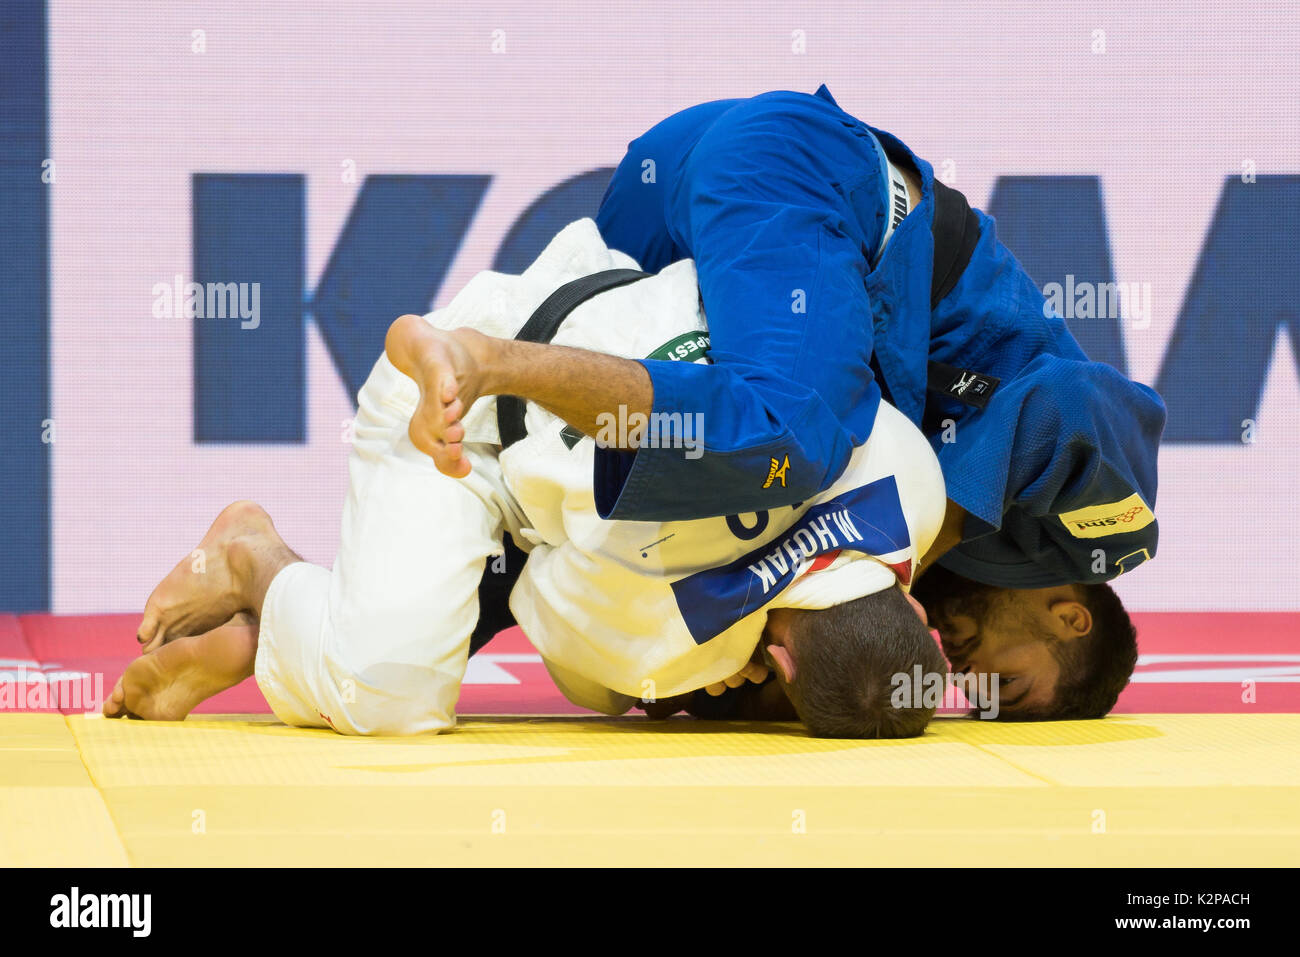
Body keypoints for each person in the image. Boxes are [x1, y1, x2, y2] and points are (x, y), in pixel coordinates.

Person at [417, 85, 1166, 719]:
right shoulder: (1104, 526)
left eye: (973, 698)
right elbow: (1071, 403)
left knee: (429, 637)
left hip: (679, 247)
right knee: (790, 434)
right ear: (1070, 615)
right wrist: (889, 564)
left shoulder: (903, 595)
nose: (966, 676)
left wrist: (736, 646)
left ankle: (316, 593)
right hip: (814, 185)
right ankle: (492, 361)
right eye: (1004, 683)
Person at [107, 220, 948, 738]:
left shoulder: (911, 478)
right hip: (463, 424)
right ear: (786, 668)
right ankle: (259, 558)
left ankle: (288, 630)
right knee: (391, 695)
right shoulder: (679, 627)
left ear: (915, 605)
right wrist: (693, 661)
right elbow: (557, 628)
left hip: (595, 301)